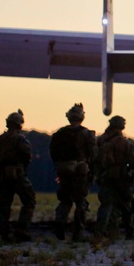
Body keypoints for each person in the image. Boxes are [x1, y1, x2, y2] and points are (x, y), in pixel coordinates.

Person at [49, 103, 95, 240]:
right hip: (80, 171)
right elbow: (93, 154)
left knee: (65, 200)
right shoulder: (87, 134)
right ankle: (78, 232)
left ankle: (59, 223)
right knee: (80, 201)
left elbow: (53, 153)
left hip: (63, 170)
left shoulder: (59, 134)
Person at [0, 110, 36, 241]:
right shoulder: (20, 139)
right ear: (19, 125)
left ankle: (2, 232)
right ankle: (22, 230)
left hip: (1, 174)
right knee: (29, 200)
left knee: (3, 204)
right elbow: (27, 156)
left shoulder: (0, 139)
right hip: (17, 173)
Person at [94, 115, 134, 238]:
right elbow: (133, 161)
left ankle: (99, 231)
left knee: (106, 206)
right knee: (125, 207)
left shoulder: (101, 140)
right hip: (121, 178)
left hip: (105, 176)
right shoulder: (123, 142)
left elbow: (95, 158)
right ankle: (129, 232)